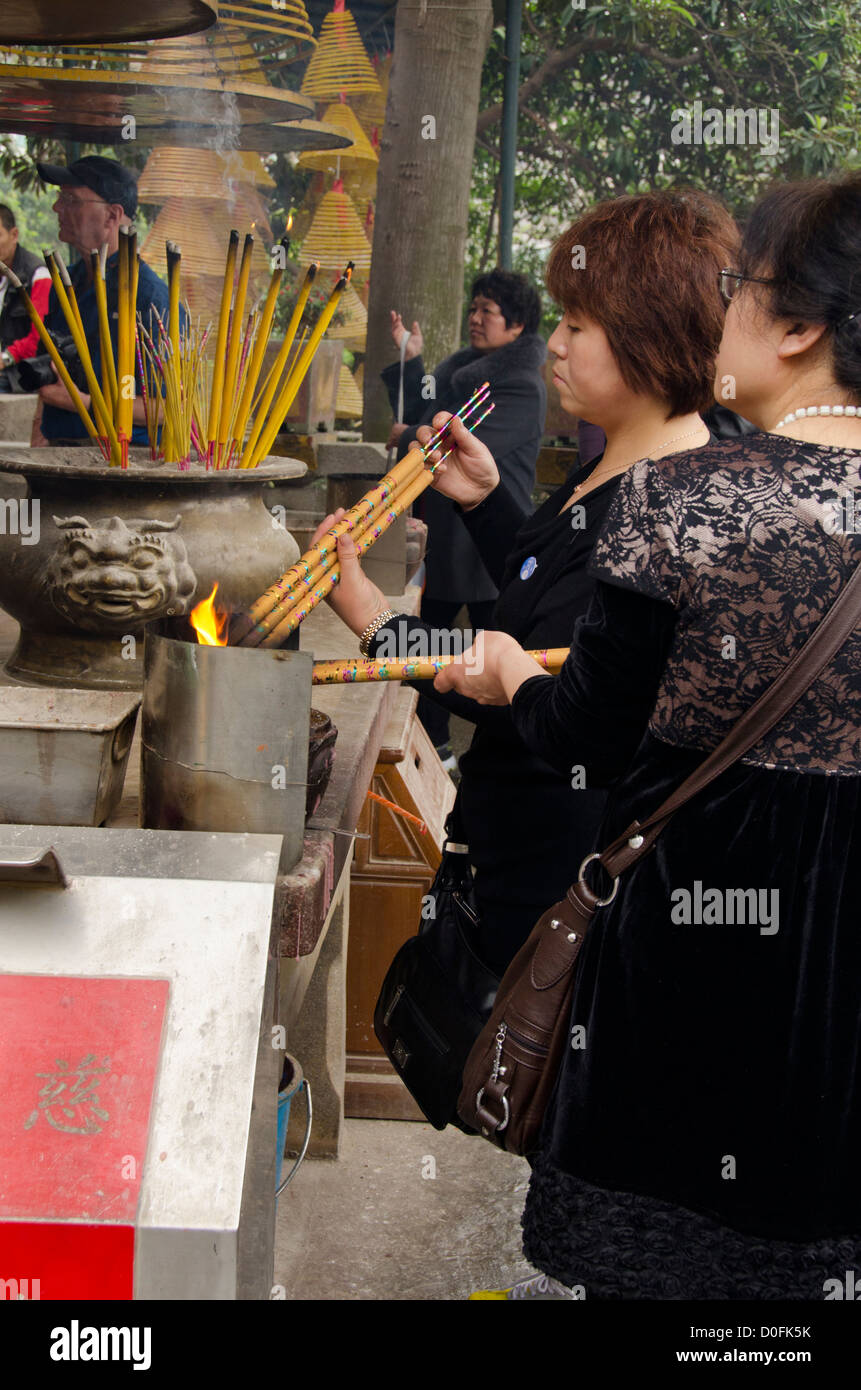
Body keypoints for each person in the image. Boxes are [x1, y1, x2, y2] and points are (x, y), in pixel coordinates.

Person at [434, 173, 861, 1299]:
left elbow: (585, 730)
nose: (718, 315)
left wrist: (517, 678)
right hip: (841, 986)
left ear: (803, 328)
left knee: (673, 1263)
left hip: (690, 958)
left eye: (740, 290)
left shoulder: (686, 505)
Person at [314, 190, 738, 976]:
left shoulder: (665, 506)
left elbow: (523, 694)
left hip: (557, 876)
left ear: (647, 339)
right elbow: (546, 598)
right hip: (510, 852)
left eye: (578, 325)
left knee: (510, 1079)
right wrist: (483, 502)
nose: (555, 346)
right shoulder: (620, 461)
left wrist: (377, 623)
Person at [381, 269, 546, 769]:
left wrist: (404, 431)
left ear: (516, 327)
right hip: (449, 531)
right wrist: (412, 363)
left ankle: (487, 747)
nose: (476, 319)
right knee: (435, 638)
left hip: (488, 537)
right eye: (473, 309)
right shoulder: (464, 371)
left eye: (488, 312)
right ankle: (439, 743)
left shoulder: (519, 385)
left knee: (494, 642)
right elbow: (430, 418)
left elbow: (455, 445)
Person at [29, 156, 171, 448]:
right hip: (59, 451)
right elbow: (53, 375)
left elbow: (167, 407)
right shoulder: (67, 284)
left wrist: (84, 402)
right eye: (59, 198)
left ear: (112, 215)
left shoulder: (148, 296)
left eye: (70, 199)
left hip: (125, 460)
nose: (57, 208)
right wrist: (40, 432)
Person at [0, 203, 51, 390]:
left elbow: (38, 339)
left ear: (14, 235)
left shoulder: (38, 275)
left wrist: (6, 358)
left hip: (23, 372)